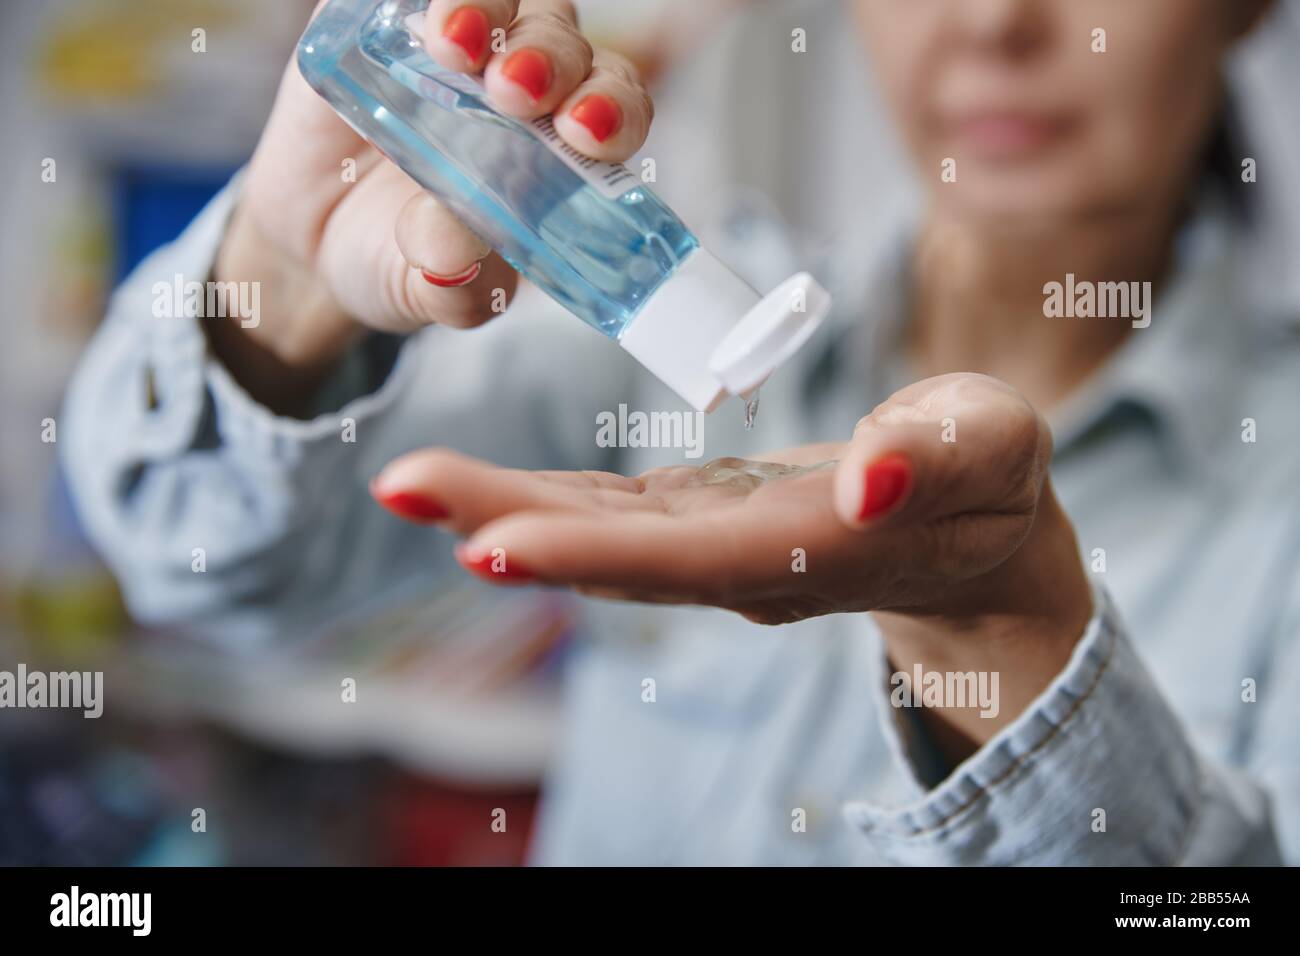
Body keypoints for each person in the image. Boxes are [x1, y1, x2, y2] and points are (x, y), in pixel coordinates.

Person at [63, 0, 1298, 864]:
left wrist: (1011, 635)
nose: (993, 22)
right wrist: (280, 286)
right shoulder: (639, 345)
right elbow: (211, 572)